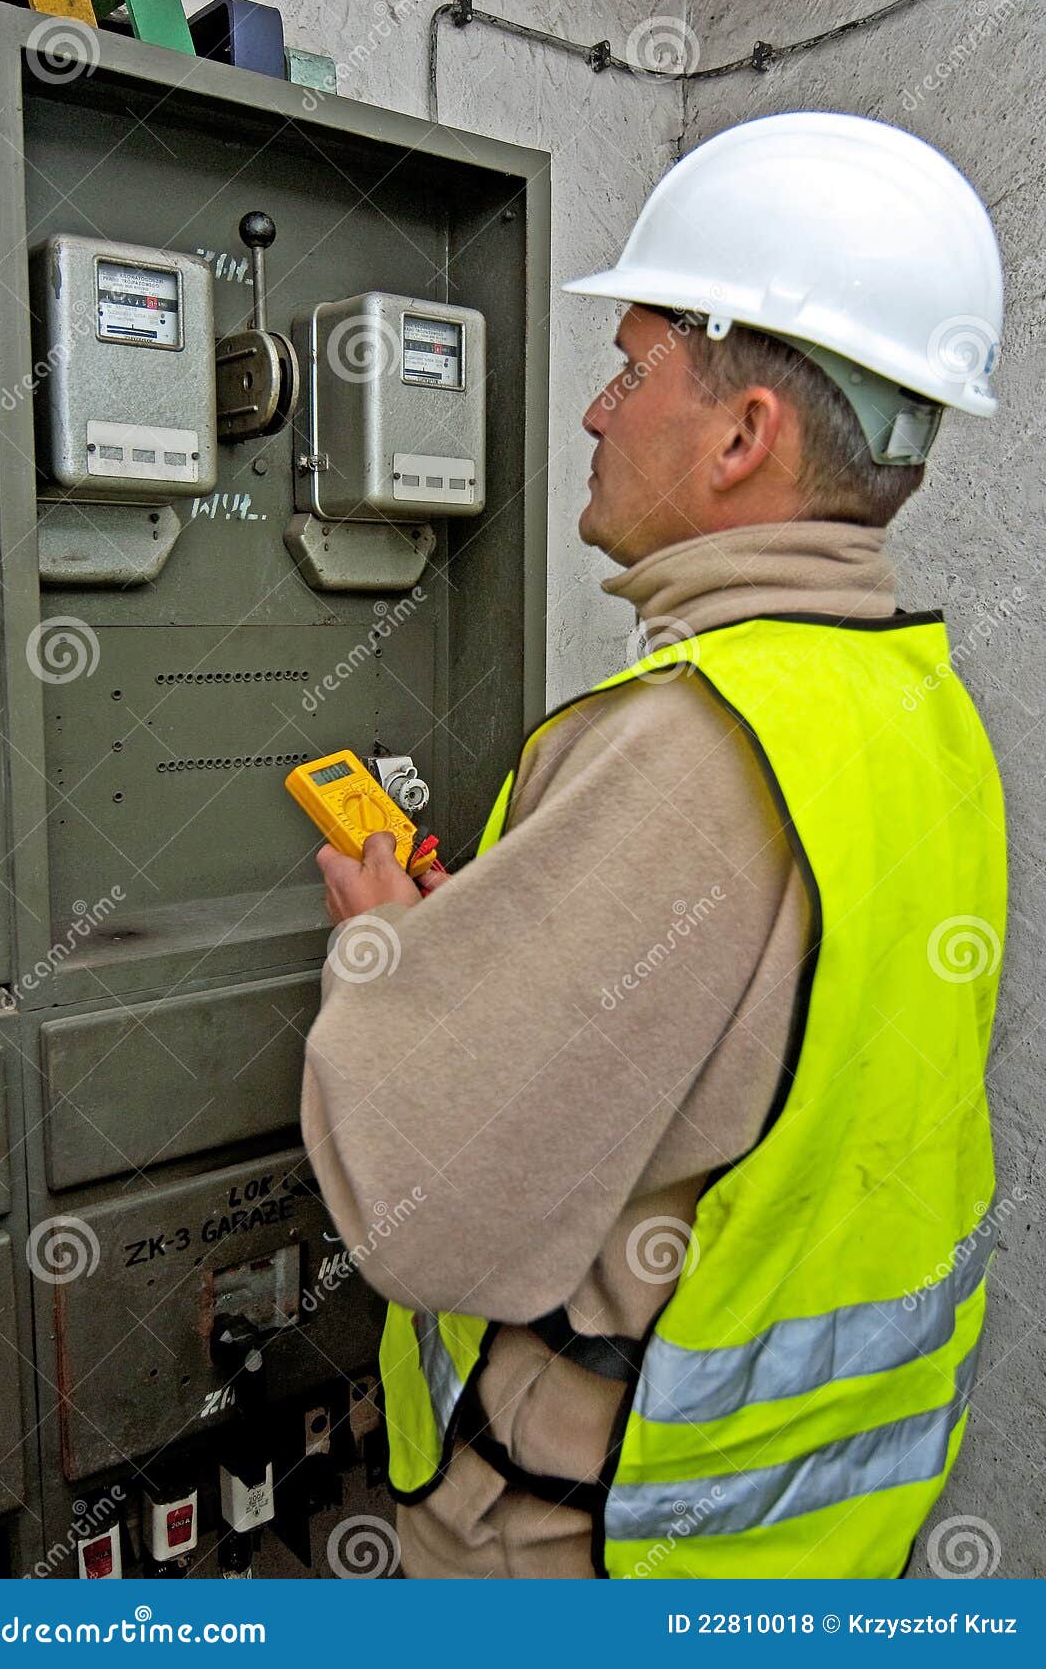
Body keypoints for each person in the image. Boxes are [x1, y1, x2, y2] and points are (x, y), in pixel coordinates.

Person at [299, 112, 1007, 1578]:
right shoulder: (915, 704)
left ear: (743, 437)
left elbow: (432, 1210)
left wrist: (386, 957)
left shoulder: (690, 742)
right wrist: (502, 955)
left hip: (583, 1550)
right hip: (813, 1547)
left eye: (630, 372)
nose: (591, 414)